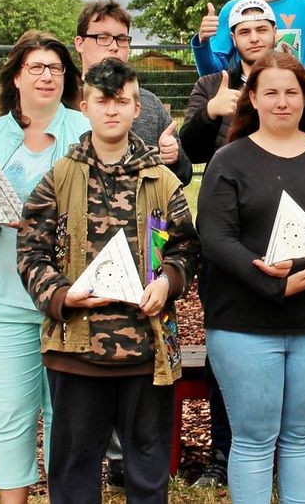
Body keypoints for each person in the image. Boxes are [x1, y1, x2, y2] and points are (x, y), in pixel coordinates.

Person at [16, 58, 200, 504]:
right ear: (85, 106)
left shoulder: (162, 182)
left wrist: (169, 283)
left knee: (147, 469)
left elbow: (186, 249)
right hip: (77, 349)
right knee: (74, 469)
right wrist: (60, 294)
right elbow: (30, 251)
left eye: (122, 100)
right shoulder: (60, 178)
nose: (112, 109)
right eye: (102, 100)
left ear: (138, 107)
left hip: (148, 350)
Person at [197, 52, 305, 504]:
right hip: (243, 323)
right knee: (253, 439)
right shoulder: (227, 161)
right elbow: (215, 237)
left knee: (303, 435)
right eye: (270, 92)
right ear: (251, 98)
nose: (281, 101)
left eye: (291, 92)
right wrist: (269, 281)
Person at [0, 32, 90, 503]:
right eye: (35, 67)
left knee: (66, 413)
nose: (46, 76)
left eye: (55, 68)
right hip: (3, 300)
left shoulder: (86, 129)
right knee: (11, 411)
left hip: (69, 299)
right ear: (16, 77)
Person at [183, 0, 305, 163]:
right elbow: (189, 153)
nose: (254, 38)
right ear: (233, 39)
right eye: (244, 32)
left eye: (261, 29)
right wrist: (209, 113)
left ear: (275, 33)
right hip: (232, 187)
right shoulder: (210, 87)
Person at [73, 0, 191, 186]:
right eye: (102, 38)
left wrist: (174, 158)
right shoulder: (63, 99)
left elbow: (184, 176)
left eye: (121, 39)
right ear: (79, 43)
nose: (114, 46)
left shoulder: (149, 104)